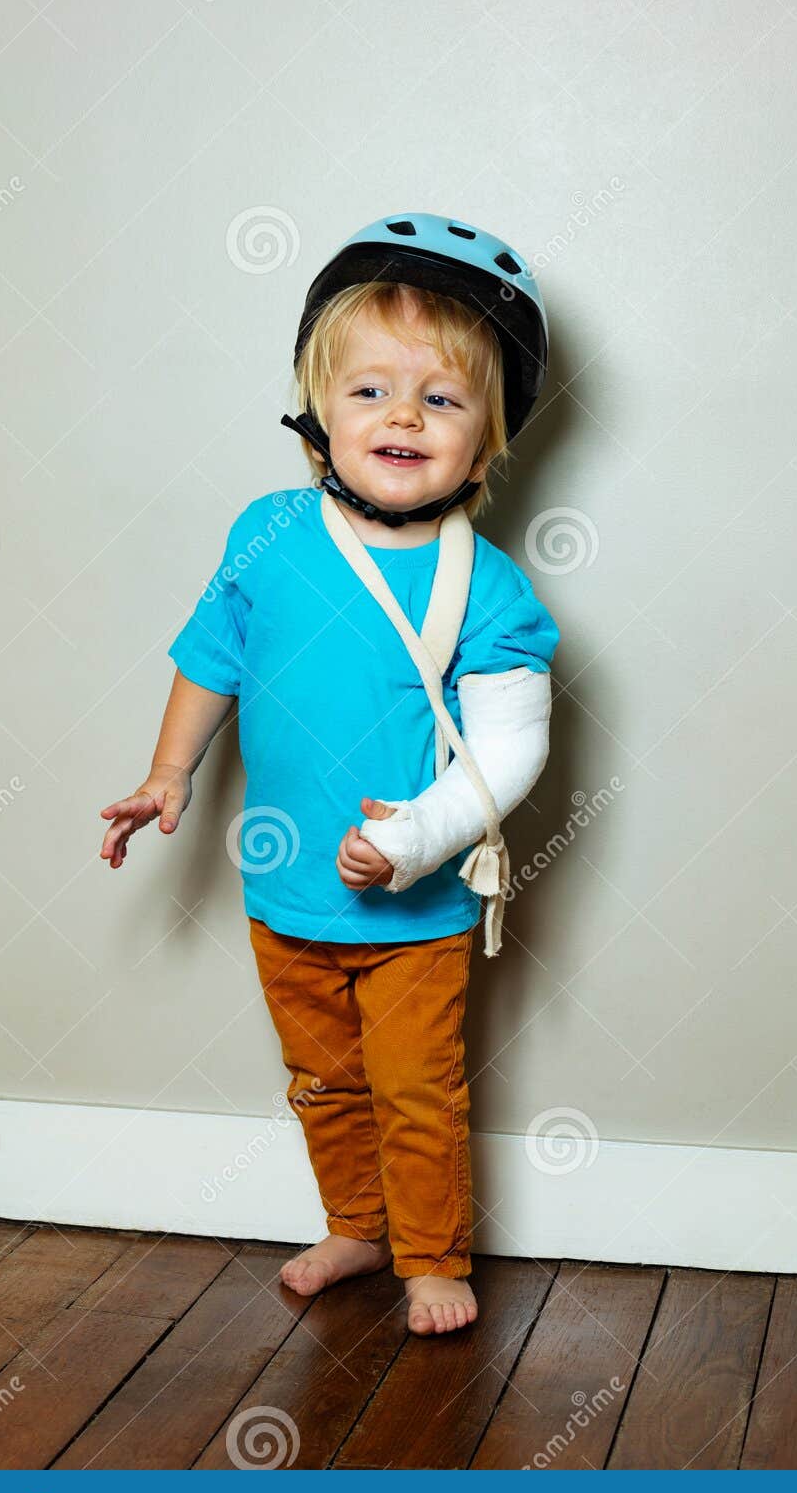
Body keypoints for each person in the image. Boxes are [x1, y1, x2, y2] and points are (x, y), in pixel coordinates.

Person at [100, 214, 560, 1335]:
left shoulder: (487, 589)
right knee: (323, 1082)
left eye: (440, 399)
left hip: (413, 904)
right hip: (285, 887)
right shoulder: (265, 534)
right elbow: (210, 660)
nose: (401, 415)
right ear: (316, 411)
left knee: (414, 1091)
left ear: (485, 439)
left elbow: (512, 748)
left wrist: (414, 838)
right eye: (368, 391)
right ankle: (355, 1223)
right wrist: (170, 773)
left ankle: (430, 1253)